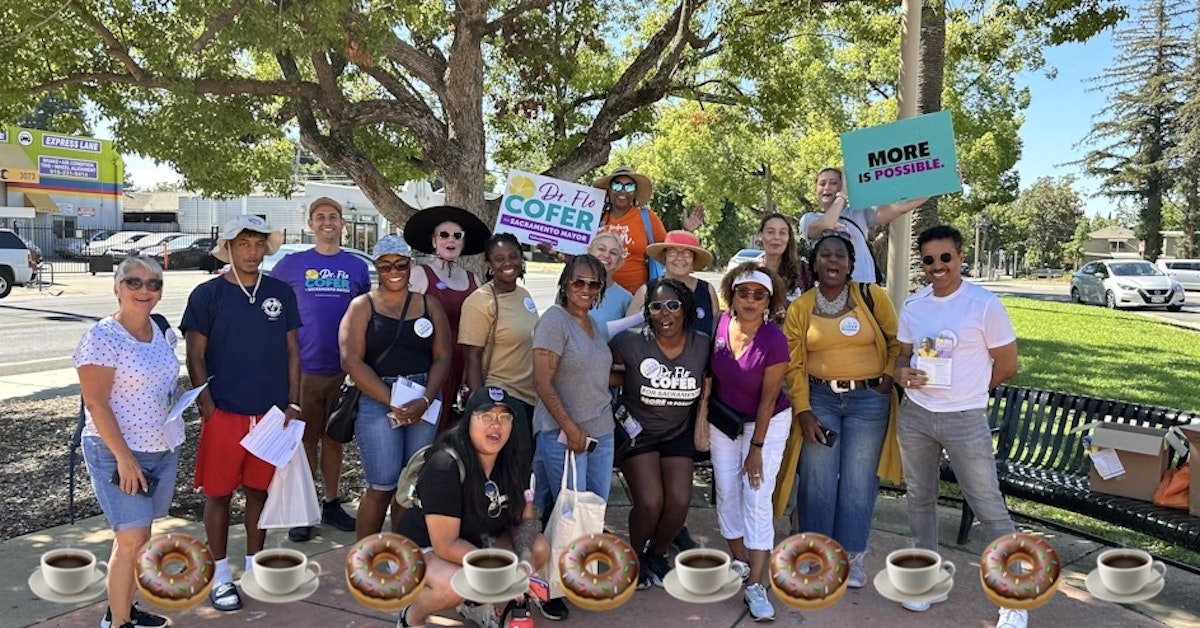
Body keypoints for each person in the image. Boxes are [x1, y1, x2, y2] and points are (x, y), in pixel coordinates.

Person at [893, 225, 1023, 628]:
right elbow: (903, 356)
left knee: (989, 507)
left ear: (960, 256)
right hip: (916, 415)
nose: (938, 266)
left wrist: (970, 391)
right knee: (920, 500)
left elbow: (1008, 364)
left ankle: (1014, 599)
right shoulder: (914, 305)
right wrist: (901, 374)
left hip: (965, 419)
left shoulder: (983, 305)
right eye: (929, 260)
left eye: (945, 258)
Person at [181, 215, 301, 612]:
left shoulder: (281, 292)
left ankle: (254, 567)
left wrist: (293, 402)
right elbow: (195, 355)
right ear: (228, 248)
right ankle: (220, 576)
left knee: (259, 493)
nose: (252, 252)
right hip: (225, 413)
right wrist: (209, 409)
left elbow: (292, 351)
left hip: (270, 415)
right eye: (244, 244)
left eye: (258, 244)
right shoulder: (207, 294)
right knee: (218, 495)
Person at [783, 230, 901, 591]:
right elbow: (793, 363)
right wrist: (803, 409)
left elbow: (897, 342)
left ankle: (851, 556)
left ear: (851, 264)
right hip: (820, 399)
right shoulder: (801, 307)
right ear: (813, 264)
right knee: (817, 479)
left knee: (858, 480)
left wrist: (887, 376)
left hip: (869, 401)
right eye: (825, 255)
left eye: (840, 256)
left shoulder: (872, 297)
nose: (833, 261)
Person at [75, 256, 177, 628]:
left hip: (160, 446)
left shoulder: (162, 329)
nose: (144, 290)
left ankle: (120, 609)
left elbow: (161, 384)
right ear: (117, 288)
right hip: (117, 452)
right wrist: (124, 458)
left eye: (153, 283)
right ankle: (119, 624)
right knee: (132, 537)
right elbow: (95, 403)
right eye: (133, 282)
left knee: (137, 537)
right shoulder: (102, 337)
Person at [394, 386, 548, 628]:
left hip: (477, 540)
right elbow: (446, 545)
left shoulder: (513, 459)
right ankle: (410, 617)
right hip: (422, 547)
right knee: (458, 584)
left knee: (538, 548)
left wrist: (524, 564)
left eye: (504, 417)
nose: (496, 425)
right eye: (486, 416)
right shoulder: (445, 465)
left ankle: (475, 604)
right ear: (468, 420)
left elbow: (523, 521)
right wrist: (502, 572)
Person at [271, 197, 370, 542]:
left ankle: (330, 502)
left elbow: (367, 314)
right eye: (320, 217)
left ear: (342, 223)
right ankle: (303, 509)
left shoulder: (356, 267)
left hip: (343, 371)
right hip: (304, 369)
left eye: (333, 217)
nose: (327, 222)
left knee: (334, 439)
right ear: (311, 224)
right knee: (304, 442)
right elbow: (271, 304)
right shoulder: (291, 265)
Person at [339, 235, 452, 539]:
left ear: (410, 264)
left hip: (423, 395)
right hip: (378, 398)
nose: (394, 271)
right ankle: (365, 557)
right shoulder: (362, 306)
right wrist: (391, 400)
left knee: (409, 485)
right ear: (376, 267)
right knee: (381, 486)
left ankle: (400, 553)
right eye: (385, 265)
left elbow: (443, 356)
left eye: (400, 264)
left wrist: (425, 399)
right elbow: (351, 360)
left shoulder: (429, 305)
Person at [703, 263, 791, 622]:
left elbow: (768, 400)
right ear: (731, 295)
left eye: (759, 294)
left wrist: (756, 449)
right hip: (725, 420)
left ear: (769, 300)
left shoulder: (774, 340)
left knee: (756, 496)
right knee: (727, 491)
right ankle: (740, 562)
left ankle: (756, 583)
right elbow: (709, 377)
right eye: (743, 292)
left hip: (766, 423)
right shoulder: (721, 324)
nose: (750, 300)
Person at [611, 278, 711, 589]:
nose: (665, 312)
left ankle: (656, 553)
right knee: (651, 502)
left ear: (686, 309)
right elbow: (603, 372)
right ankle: (635, 557)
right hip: (638, 432)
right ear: (648, 312)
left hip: (677, 431)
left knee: (679, 501)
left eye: (673, 305)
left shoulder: (702, 344)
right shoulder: (629, 342)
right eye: (656, 306)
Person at [530, 255, 614, 621]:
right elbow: (541, 381)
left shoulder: (593, 324)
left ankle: (574, 577)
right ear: (565, 283)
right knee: (561, 512)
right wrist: (569, 426)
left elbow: (596, 373)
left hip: (602, 432)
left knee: (590, 512)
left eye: (593, 284)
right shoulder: (554, 321)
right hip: (563, 435)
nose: (586, 289)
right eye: (579, 282)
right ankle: (546, 586)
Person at [405, 205, 491, 430]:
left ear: (463, 242)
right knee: (426, 430)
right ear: (434, 241)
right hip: (429, 366)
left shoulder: (474, 280)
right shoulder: (419, 275)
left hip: (465, 367)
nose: (450, 240)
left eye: (457, 235)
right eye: (443, 235)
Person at [460, 232, 539, 440]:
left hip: (531, 398)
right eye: (499, 258)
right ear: (489, 264)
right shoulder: (479, 301)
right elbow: (471, 357)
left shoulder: (524, 294)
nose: (508, 263)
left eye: (513, 256)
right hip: (501, 398)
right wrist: (482, 406)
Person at [799, 167, 928, 284]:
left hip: (864, 287)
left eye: (833, 183)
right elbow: (827, 224)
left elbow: (900, 208)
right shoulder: (809, 219)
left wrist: (934, 187)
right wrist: (843, 194)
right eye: (822, 184)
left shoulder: (858, 212)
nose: (827, 187)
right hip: (831, 289)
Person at [591, 166, 704, 293]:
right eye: (616, 185)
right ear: (609, 190)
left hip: (637, 295)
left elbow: (668, 250)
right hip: (595, 292)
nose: (622, 191)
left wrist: (687, 231)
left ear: (635, 192)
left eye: (629, 187)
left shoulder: (647, 218)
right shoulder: (595, 217)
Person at [628, 230, 720, 336]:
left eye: (687, 254)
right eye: (673, 252)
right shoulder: (646, 291)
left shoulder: (707, 290)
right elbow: (629, 333)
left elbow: (717, 332)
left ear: (694, 259)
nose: (680, 258)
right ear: (664, 256)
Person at [757, 213, 811, 323]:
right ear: (761, 236)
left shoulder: (803, 270)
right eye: (770, 232)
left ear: (788, 237)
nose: (776, 237)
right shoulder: (753, 274)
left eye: (782, 233)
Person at [585, 232, 634, 330]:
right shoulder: (571, 288)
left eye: (613, 253)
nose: (606, 255)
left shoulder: (626, 299)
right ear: (589, 251)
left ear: (619, 261)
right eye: (601, 249)